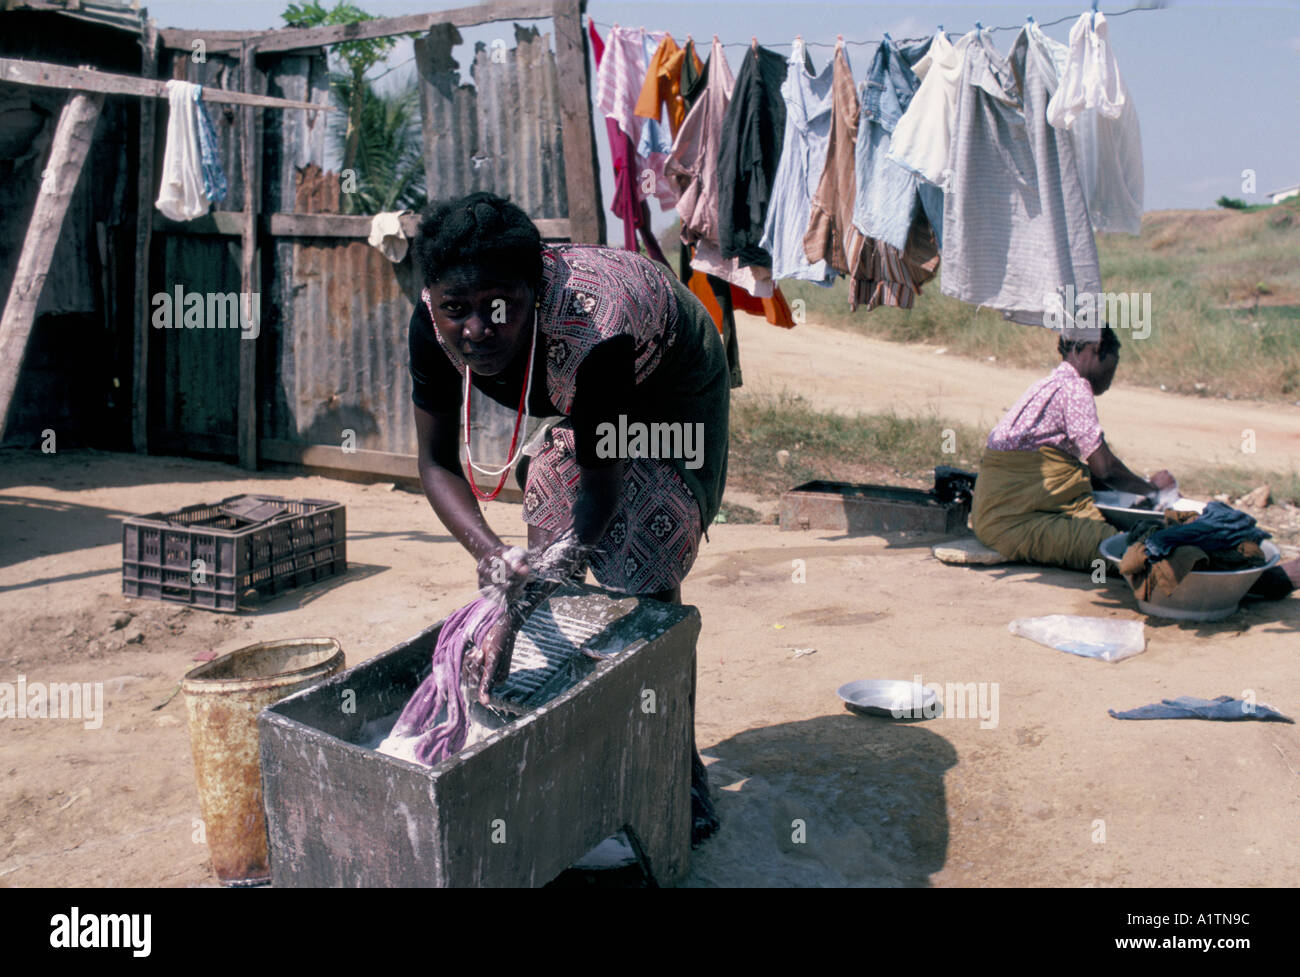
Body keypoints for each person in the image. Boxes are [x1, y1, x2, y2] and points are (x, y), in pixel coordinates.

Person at [407, 191, 730, 845]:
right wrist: (498, 563)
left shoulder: (594, 325)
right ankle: (580, 734)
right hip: (591, 408)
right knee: (552, 492)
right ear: (433, 300)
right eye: (455, 311)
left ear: (536, 288)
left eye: (500, 307)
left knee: (641, 547)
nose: (476, 329)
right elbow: (437, 464)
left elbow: (602, 497)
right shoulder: (431, 325)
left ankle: (676, 765)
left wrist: (528, 589)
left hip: (672, 399)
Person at [972, 328, 1174, 571]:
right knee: (1128, 550)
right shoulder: (1074, 389)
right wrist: (1152, 491)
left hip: (994, 515)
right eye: (1114, 363)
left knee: (1117, 531)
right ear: (1097, 348)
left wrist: (1138, 494)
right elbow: (1105, 469)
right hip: (1015, 523)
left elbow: (1072, 473)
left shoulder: (1047, 384)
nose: (1112, 375)